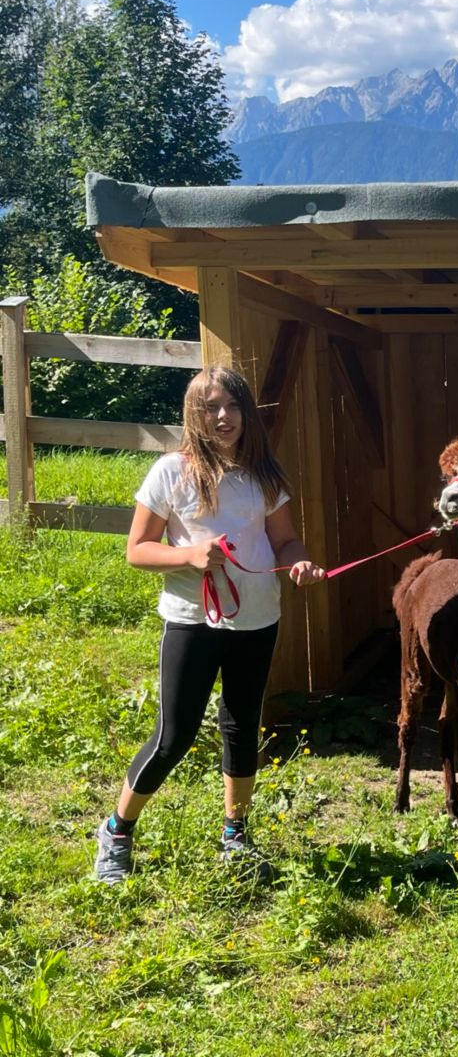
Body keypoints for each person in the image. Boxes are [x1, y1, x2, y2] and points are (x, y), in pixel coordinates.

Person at [93, 366, 324, 884]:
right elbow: (137, 551)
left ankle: (235, 836)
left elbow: (286, 541)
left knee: (242, 728)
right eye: (211, 407)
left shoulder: (266, 474)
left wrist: (300, 561)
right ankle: (117, 831)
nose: (224, 417)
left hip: (257, 619)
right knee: (172, 737)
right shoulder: (170, 472)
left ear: (247, 414)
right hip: (192, 621)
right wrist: (190, 556)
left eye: (233, 406)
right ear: (194, 414)